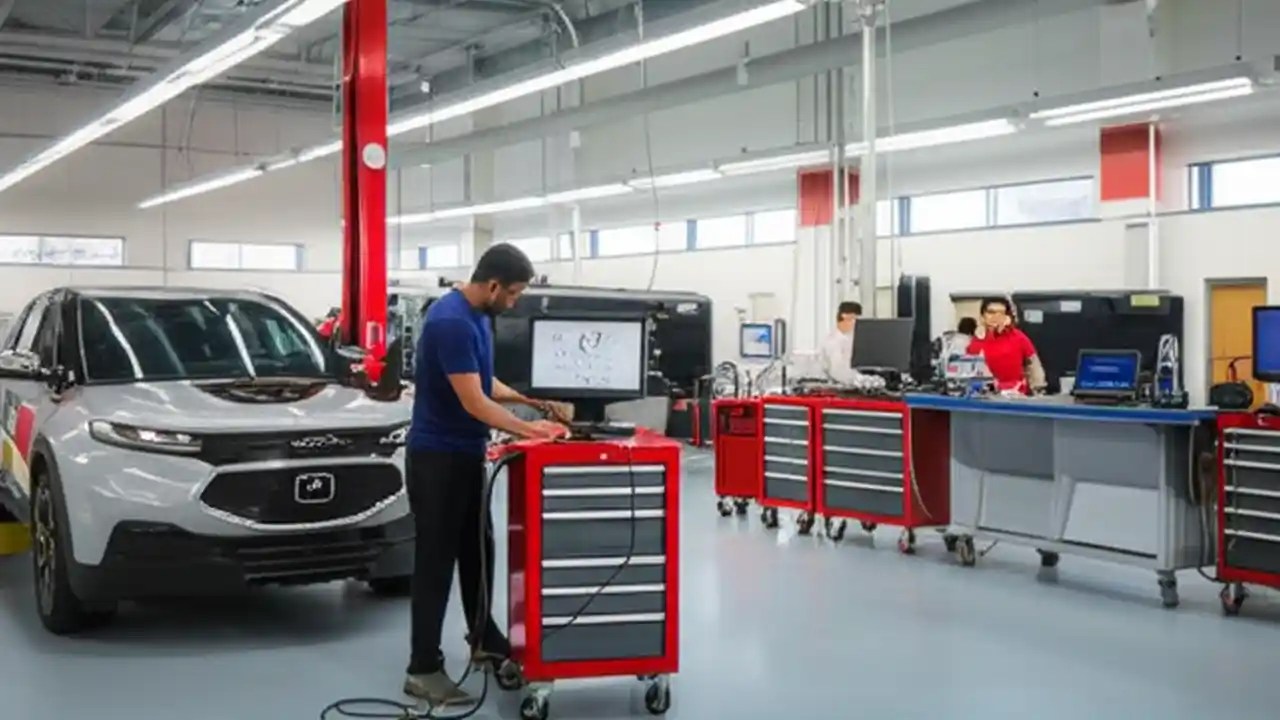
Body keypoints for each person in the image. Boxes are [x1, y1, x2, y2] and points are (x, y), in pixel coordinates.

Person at [404, 243, 572, 705]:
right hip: (437, 460)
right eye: (514, 293)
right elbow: (473, 402)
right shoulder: (451, 321)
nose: (515, 302)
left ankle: (484, 638)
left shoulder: (478, 316)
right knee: (436, 563)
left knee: (479, 551)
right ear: (493, 285)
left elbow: (484, 382)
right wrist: (528, 430)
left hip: (466, 454)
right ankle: (422, 668)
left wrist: (532, 403)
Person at [966, 297, 1046, 394]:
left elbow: (1034, 365)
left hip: (1016, 397)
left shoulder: (1018, 337)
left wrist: (1038, 391)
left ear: (1007, 317)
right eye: (991, 312)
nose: (995, 317)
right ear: (983, 316)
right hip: (985, 397)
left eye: (1000, 313)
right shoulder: (975, 341)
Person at [819, 301, 861, 383]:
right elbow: (835, 370)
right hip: (839, 385)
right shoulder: (830, 341)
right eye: (851, 319)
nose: (854, 323)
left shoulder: (859, 339)